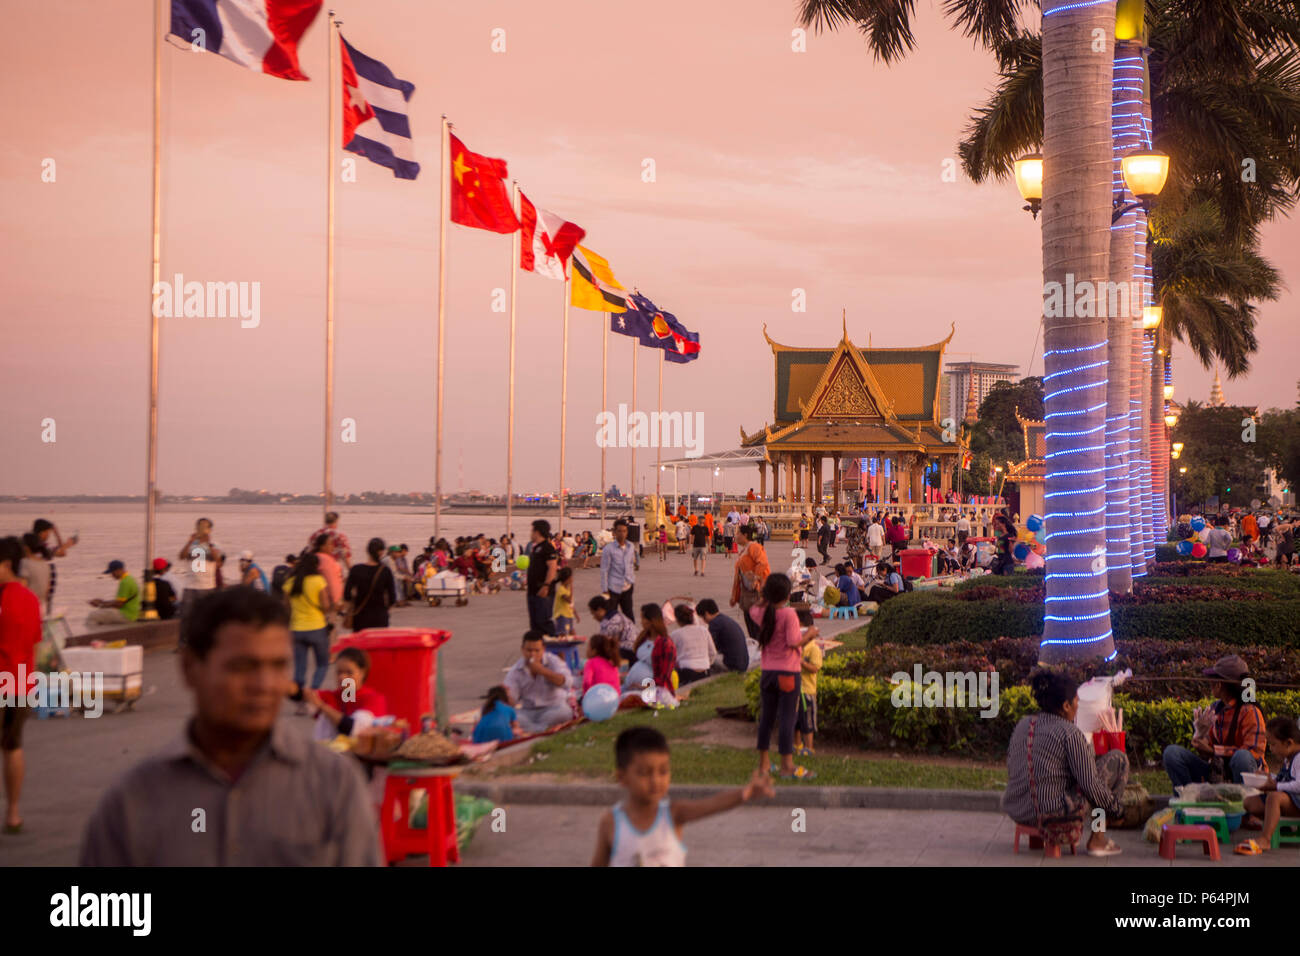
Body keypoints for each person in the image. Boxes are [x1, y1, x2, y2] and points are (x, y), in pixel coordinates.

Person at [79, 587, 382, 865]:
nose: (264, 685)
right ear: (189, 668)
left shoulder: (333, 785)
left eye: (277, 666)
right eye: (242, 666)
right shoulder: (133, 803)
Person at [591, 726, 773, 866]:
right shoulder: (611, 822)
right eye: (644, 773)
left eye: (663, 771)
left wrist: (744, 793)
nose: (656, 781)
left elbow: (712, 804)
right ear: (622, 777)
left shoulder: (673, 814)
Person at [1001, 668, 1126, 856]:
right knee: (1118, 760)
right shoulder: (1070, 733)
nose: (1078, 705)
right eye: (1077, 700)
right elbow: (1090, 785)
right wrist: (1116, 809)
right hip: (1054, 814)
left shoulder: (1022, 725)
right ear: (1066, 706)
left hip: (1019, 810)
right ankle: (1098, 838)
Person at [1162, 655, 1266, 787]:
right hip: (1217, 773)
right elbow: (1206, 751)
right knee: (1172, 753)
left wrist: (1215, 751)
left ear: (1220, 684)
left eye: (1213, 679)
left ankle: (1246, 804)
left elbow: (1253, 752)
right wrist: (1199, 735)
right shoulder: (1215, 708)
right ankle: (1188, 799)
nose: (1209, 683)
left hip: (1243, 776)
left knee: (1242, 757)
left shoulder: (1250, 711)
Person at [750, 573, 817, 780]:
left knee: (767, 719)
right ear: (788, 594)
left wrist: (765, 594)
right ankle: (787, 765)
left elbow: (754, 607)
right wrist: (810, 634)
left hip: (768, 672)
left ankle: (763, 764)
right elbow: (793, 643)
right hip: (788, 672)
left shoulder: (761, 612)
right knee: (788, 718)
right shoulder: (788, 614)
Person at [0, 537, 41, 834]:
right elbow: (34, 645)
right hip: (21, 683)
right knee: (13, 747)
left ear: (5, 564)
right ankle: (13, 813)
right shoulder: (30, 599)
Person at [1236, 716, 1300, 855]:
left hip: (1297, 803)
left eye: (1273, 745)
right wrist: (1268, 777)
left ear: (1288, 743)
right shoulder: (1288, 758)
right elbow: (1286, 779)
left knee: (1274, 797)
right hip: (1291, 802)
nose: (1271, 749)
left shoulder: (1298, 758)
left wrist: (1275, 786)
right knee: (1249, 802)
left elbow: (1298, 785)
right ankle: (1280, 827)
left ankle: (1266, 839)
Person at [282, 552, 335, 701]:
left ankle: (299, 700)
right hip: (317, 628)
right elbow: (325, 605)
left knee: (300, 667)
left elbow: (286, 607)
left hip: (297, 629)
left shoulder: (290, 581)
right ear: (316, 565)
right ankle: (313, 693)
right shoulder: (318, 580)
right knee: (322, 664)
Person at [303, 646, 388, 738]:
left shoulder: (374, 699)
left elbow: (352, 728)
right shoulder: (335, 696)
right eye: (339, 672)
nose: (342, 677)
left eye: (349, 672)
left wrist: (322, 706)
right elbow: (302, 695)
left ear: (362, 673)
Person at [503, 631, 573, 734]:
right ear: (522, 650)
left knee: (564, 713)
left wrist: (542, 671)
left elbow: (567, 682)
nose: (532, 654)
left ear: (543, 650)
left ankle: (533, 730)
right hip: (528, 711)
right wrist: (505, 696)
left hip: (553, 708)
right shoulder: (516, 670)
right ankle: (542, 730)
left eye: (537, 650)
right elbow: (512, 699)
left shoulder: (553, 661)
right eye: (529, 650)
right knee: (509, 717)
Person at [730, 523, 770, 639]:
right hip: (747, 593)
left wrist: (756, 578)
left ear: (745, 535)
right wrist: (735, 596)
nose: (736, 536)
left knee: (757, 626)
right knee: (751, 626)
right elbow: (739, 576)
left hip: (756, 592)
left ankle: (761, 649)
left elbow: (762, 563)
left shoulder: (754, 547)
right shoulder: (744, 551)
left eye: (738, 533)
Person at [178, 518, 222, 614]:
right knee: (187, 615)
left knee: (207, 616)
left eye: (205, 526)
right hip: (190, 586)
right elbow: (181, 556)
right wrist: (190, 542)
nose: (201, 529)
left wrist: (208, 544)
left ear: (209, 529)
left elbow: (218, 562)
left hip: (207, 586)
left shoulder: (213, 545)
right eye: (200, 526)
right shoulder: (192, 545)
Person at [794, 607, 822, 757]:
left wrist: (802, 663)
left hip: (807, 691)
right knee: (796, 721)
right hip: (795, 690)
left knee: (807, 721)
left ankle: (809, 747)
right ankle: (796, 744)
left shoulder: (813, 649)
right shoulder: (797, 647)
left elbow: (815, 668)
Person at [668, 604, 719, 686]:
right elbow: (713, 653)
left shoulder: (675, 635)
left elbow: (670, 657)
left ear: (677, 620)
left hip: (686, 672)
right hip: (705, 671)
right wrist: (706, 664)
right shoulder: (704, 630)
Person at [31, 519, 75, 612]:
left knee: (45, 613)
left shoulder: (43, 546)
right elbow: (60, 552)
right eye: (48, 532)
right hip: (40, 590)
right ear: (42, 532)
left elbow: (62, 553)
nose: (48, 535)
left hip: (45, 591)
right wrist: (65, 543)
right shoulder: (37, 547)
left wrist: (58, 536)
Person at [696, 598, 750, 673]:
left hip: (733, 665)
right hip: (744, 663)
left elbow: (710, 648)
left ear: (706, 614)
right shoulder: (724, 619)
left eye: (702, 618)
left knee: (707, 661)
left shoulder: (714, 624)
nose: (704, 621)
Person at [600, 519, 639, 621]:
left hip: (627, 586)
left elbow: (630, 564)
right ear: (614, 532)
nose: (622, 534)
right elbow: (604, 570)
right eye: (619, 531)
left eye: (624, 531)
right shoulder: (608, 549)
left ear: (627, 532)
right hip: (613, 588)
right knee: (611, 617)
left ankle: (631, 636)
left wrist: (632, 579)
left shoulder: (630, 547)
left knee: (629, 615)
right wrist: (605, 590)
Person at [526, 520, 559, 636]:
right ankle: (538, 650)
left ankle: (555, 648)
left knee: (544, 622)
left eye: (532, 530)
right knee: (535, 625)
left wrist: (546, 585)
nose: (531, 533)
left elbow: (552, 567)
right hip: (533, 591)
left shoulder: (547, 548)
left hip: (543, 592)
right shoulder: (536, 548)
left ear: (537, 532)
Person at [85, 560, 141, 628]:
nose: (111, 575)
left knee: (92, 616)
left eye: (112, 572)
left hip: (127, 614)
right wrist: (103, 602)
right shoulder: (129, 579)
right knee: (102, 614)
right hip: (132, 613)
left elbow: (118, 605)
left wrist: (101, 605)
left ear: (118, 570)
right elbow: (120, 601)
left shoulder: (125, 582)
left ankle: (91, 637)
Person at [635, 604, 677, 692]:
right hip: (636, 685)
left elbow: (664, 675)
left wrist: (645, 686)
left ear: (651, 621)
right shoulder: (643, 638)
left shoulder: (665, 644)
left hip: (652, 689)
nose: (641, 622)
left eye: (643, 618)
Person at [589, 594, 638, 664]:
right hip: (633, 647)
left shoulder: (610, 622)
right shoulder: (615, 615)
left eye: (593, 614)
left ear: (600, 610)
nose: (594, 617)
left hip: (630, 650)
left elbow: (602, 643)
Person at [19, 533, 52, 617]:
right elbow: (47, 589)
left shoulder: (25, 563)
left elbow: (22, 587)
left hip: (28, 607)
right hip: (42, 607)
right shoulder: (45, 564)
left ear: (25, 548)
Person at [553, 567, 578, 636]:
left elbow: (571, 604)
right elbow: (569, 600)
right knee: (562, 634)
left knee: (572, 632)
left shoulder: (568, 588)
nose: (572, 579)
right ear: (567, 578)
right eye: (571, 577)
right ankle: (558, 646)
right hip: (562, 615)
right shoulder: (561, 590)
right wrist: (572, 588)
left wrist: (575, 614)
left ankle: (572, 646)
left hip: (568, 614)